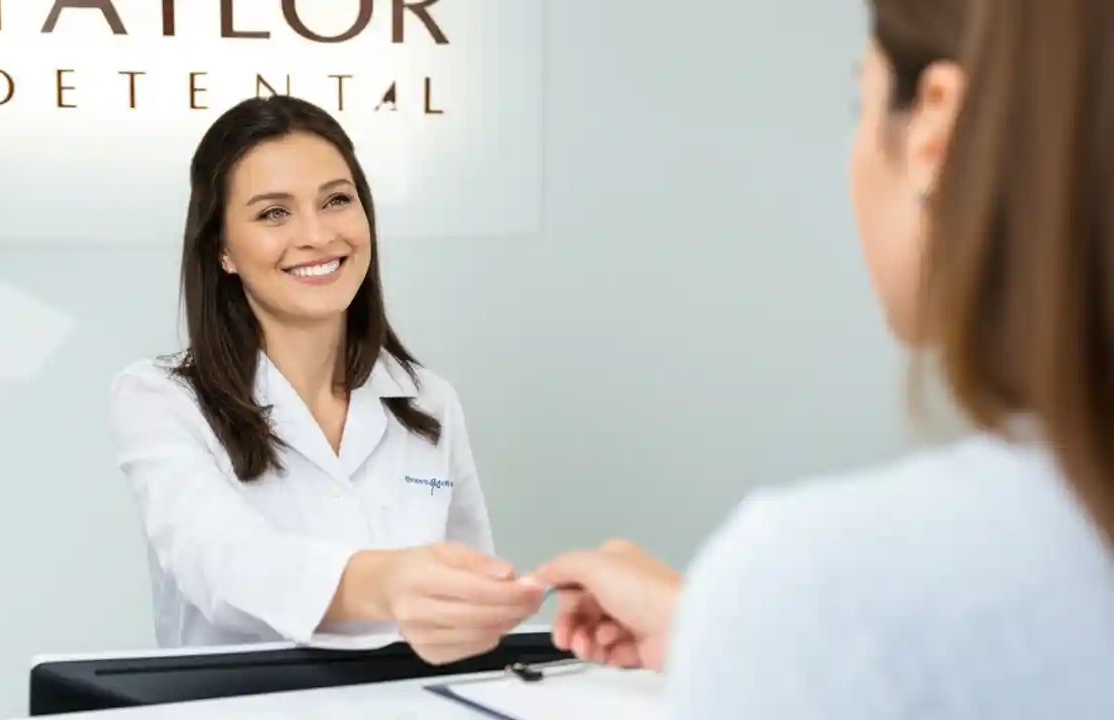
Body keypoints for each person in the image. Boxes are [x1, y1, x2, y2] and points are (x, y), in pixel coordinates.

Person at [530, 0, 1114, 717]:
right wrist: (721, 627)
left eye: (858, 101)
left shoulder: (819, 581)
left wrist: (771, 627)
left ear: (935, 129)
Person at [109, 95, 542, 661]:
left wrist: (504, 600)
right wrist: (387, 582)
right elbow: (220, 564)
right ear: (222, 250)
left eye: (337, 200)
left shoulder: (429, 400)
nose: (316, 235)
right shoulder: (160, 398)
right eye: (273, 213)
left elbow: (469, 600)